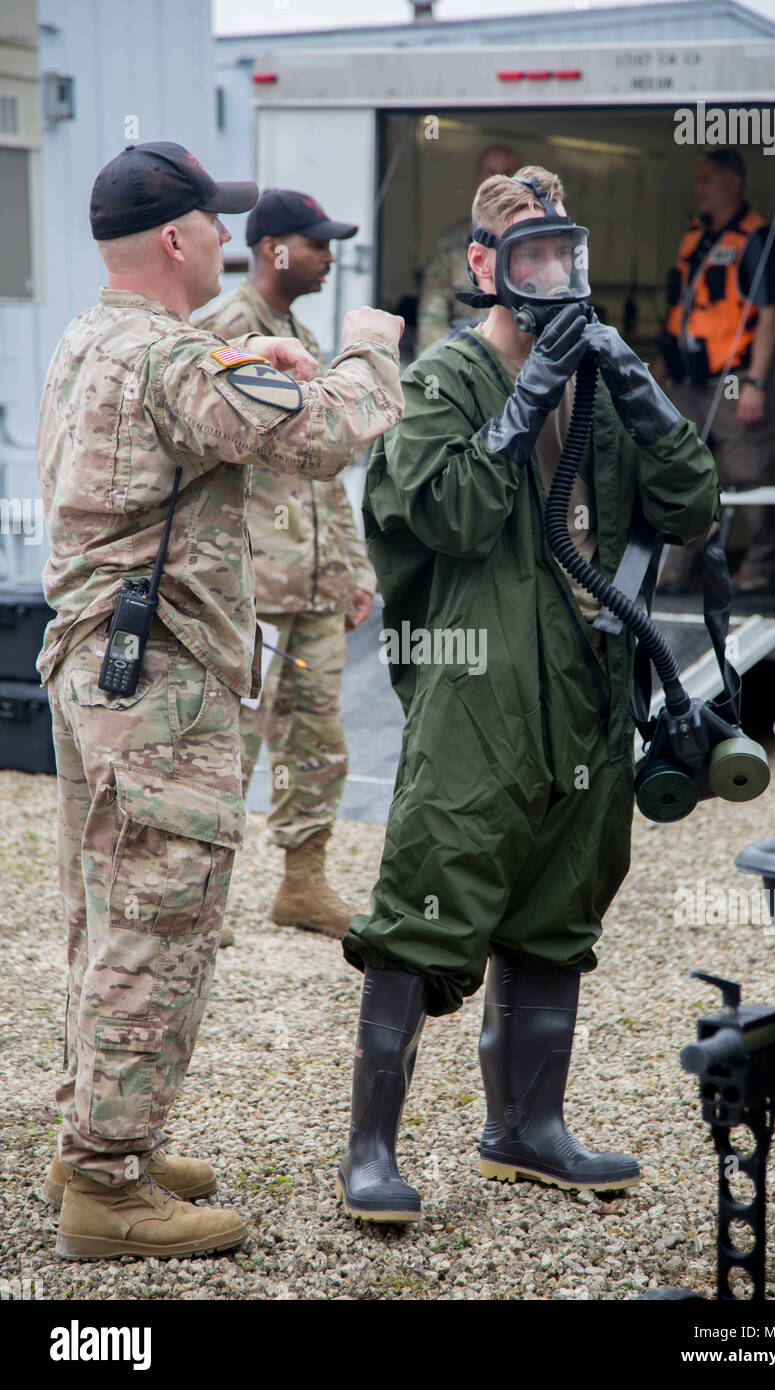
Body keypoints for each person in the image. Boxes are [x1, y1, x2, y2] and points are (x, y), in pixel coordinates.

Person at [35, 140, 403, 1259]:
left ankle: (107, 1141)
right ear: (175, 239)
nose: (228, 243)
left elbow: (208, 402)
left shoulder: (98, 335)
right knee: (158, 920)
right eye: (214, 224)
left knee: (105, 917)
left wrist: (255, 353)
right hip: (158, 689)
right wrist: (366, 350)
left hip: (99, 671)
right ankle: (106, 1191)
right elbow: (329, 433)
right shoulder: (166, 360)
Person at [336, 165, 718, 1223]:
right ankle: (369, 1151)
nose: (548, 274)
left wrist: (635, 391)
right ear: (482, 266)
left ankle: (524, 1129)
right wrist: (529, 401)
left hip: (591, 688)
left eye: (560, 254)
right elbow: (445, 512)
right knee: (426, 898)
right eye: (525, 257)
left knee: (559, 909)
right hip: (481, 693)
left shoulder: (603, 373)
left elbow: (690, 510)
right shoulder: (445, 379)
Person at [197, 189, 377, 939]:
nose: (330, 256)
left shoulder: (296, 334)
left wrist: (352, 569)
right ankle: (200, 900)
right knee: (227, 743)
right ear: (274, 248)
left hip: (310, 589)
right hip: (249, 591)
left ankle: (302, 884)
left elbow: (322, 471)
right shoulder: (223, 332)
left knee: (316, 740)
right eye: (317, 243)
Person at [653, 149, 775, 595]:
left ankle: (763, 565)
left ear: (734, 184)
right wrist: (661, 361)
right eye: (698, 180)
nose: (699, 188)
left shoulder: (757, 239)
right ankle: (675, 564)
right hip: (687, 380)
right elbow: (680, 308)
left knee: (746, 471)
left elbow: (770, 314)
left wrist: (756, 381)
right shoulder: (696, 236)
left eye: (707, 180)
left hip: (734, 379)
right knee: (680, 469)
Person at [414, 143, 520, 354]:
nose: (498, 179)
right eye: (490, 171)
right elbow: (432, 319)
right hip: (464, 356)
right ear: (477, 178)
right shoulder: (450, 243)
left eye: (507, 172)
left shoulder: (534, 243)